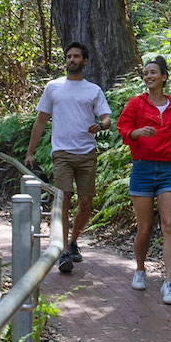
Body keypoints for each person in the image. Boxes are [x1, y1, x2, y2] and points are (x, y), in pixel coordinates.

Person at [25, 41, 110, 274]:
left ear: (85, 61)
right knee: (64, 198)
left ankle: (73, 241)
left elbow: (106, 118)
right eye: (69, 56)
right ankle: (62, 251)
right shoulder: (53, 87)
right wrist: (30, 151)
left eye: (76, 57)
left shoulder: (93, 90)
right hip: (61, 152)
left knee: (86, 203)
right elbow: (41, 120)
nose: (71, 60)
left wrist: (99, 126)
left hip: (87, 153)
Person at [116, 55, 171, 304]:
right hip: (142, 170)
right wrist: (137, 132)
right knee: (144, 228)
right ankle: (140, 269)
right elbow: (122, 128)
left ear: (164, 77)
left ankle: (168, 282)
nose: (149, 76)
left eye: (153, 72)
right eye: (146, 73)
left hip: (169, 170)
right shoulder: (135, 104)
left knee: (169, 225)